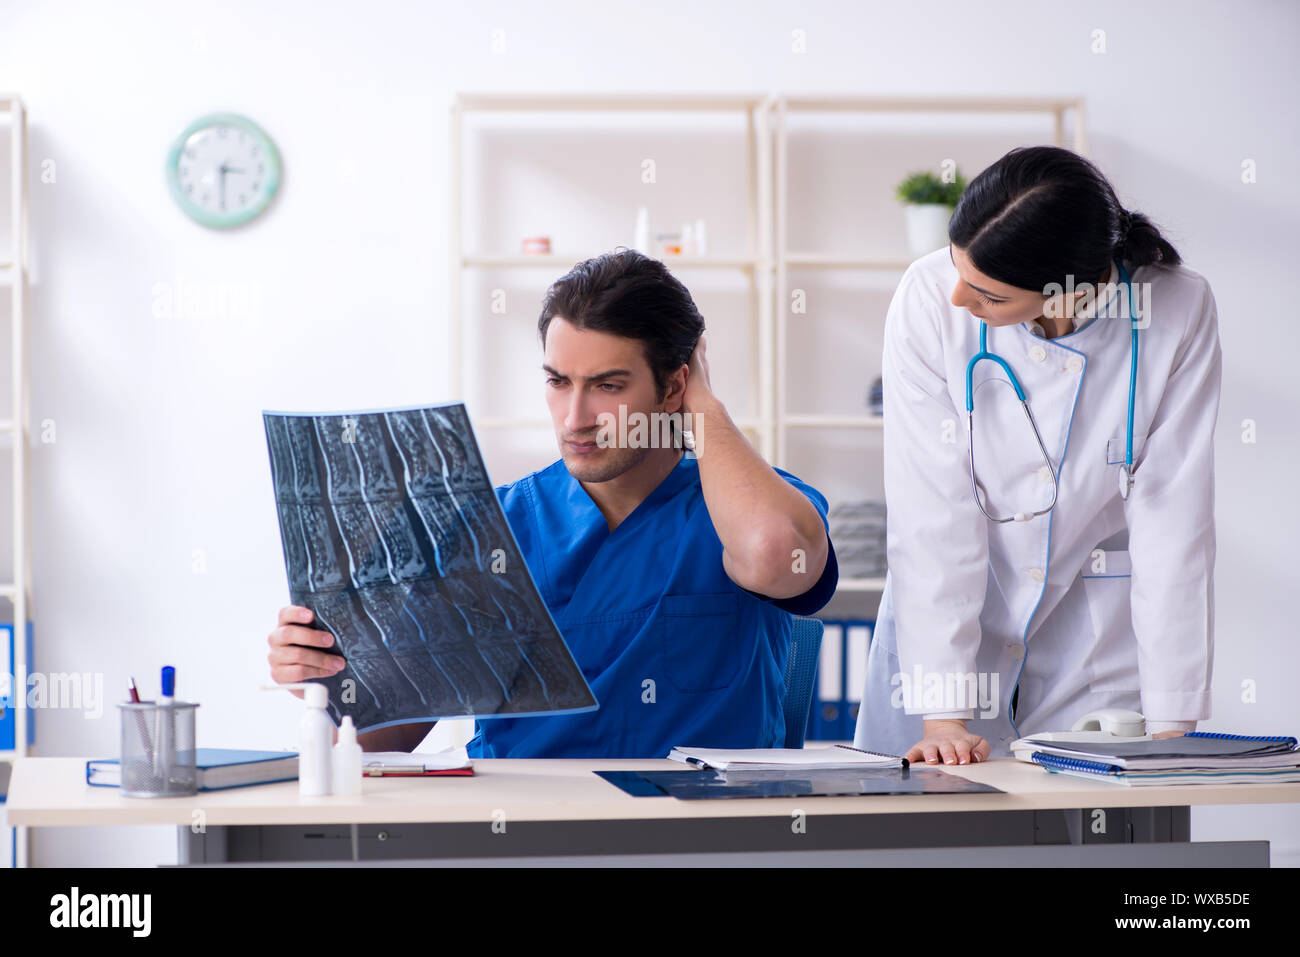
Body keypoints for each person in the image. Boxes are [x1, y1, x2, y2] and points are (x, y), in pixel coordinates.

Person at [268, 249, 838, 757]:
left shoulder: (752, 505)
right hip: (522, 831)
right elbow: (390, 735)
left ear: (672, 389)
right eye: (558, 382)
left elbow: (771, 553)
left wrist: (705, 410)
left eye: (608, 386)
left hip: (694, 836)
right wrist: (327, 682)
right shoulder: (488, 525)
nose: (575, 419)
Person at [853, 146, 1221, 766]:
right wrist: (944, 715)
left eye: (990, 297)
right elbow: (933, 509)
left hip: (1094, 636)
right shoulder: (926, 298)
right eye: (958, 267)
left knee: (1092, 844)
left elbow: (1174, 517)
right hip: (943, 625)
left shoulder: (1178, 309)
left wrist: (1171, 722)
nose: (959, 300)